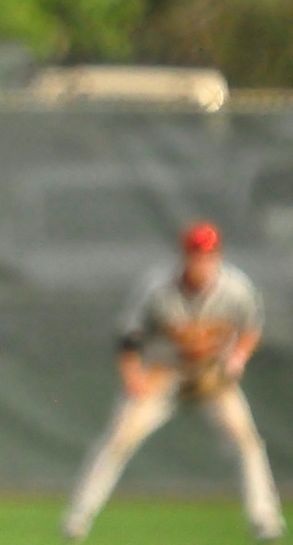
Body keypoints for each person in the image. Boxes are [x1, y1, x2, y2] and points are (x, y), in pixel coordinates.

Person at [62, 221, 285, 542]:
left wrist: (237, 358)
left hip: (212, 377)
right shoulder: (158, 288)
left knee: (247, 441)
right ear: (184, 256)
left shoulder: (236, 288)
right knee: (118, 439)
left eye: (209, 255)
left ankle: (265, 521)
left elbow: (251, 328)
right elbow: (130, 334)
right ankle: (78, 518)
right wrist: (132, 375)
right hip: (162, 375)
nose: (202, 262)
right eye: (196, 255)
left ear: (218, 256)